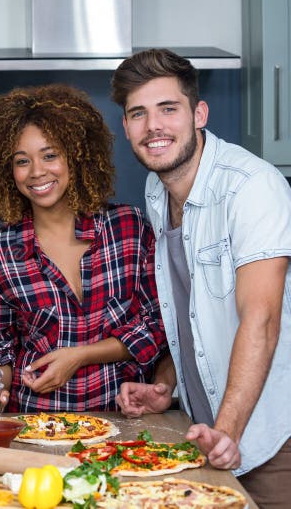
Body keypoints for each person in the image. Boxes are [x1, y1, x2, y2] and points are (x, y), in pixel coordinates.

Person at [112, 48, 291, 507]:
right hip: (206, 433)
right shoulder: (158, 190)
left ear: (199, 114)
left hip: (273, 438)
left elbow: (262, 321)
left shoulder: (252, 187)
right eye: (139, 113)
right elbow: (190, 314)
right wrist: (166, 386)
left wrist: (227, 430)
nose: (154, 126)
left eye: (168, 109)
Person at [0, 85, 166, 416]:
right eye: (22, 161)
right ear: (7, 170)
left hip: (125, 423)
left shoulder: (127, 228)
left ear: (77, 156)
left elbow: (156, 326)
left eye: (50, 155)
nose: (36, 172)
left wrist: (81, 355)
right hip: (34, 427)